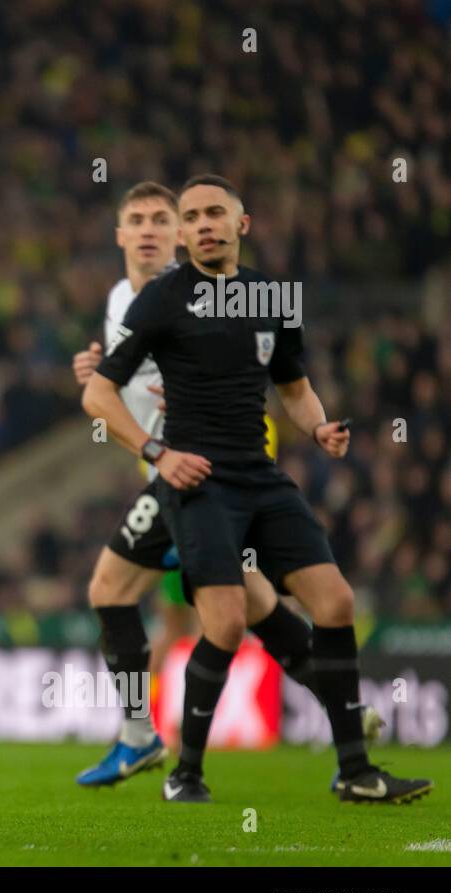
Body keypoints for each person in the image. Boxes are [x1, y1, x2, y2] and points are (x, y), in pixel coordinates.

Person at [83, 175, 431, 804]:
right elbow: (99, 392)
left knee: (334, 603)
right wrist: (158, 452)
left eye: (215, 212)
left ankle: (354, 770)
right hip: (194, 482)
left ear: (243, 223)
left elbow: (293, 387)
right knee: (221, 618)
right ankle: (175, 762)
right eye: (191, 217)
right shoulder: (160, 299)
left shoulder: (273, 297)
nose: (203, 224)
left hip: (261, 475)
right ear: (183, 235)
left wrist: (320, 425)